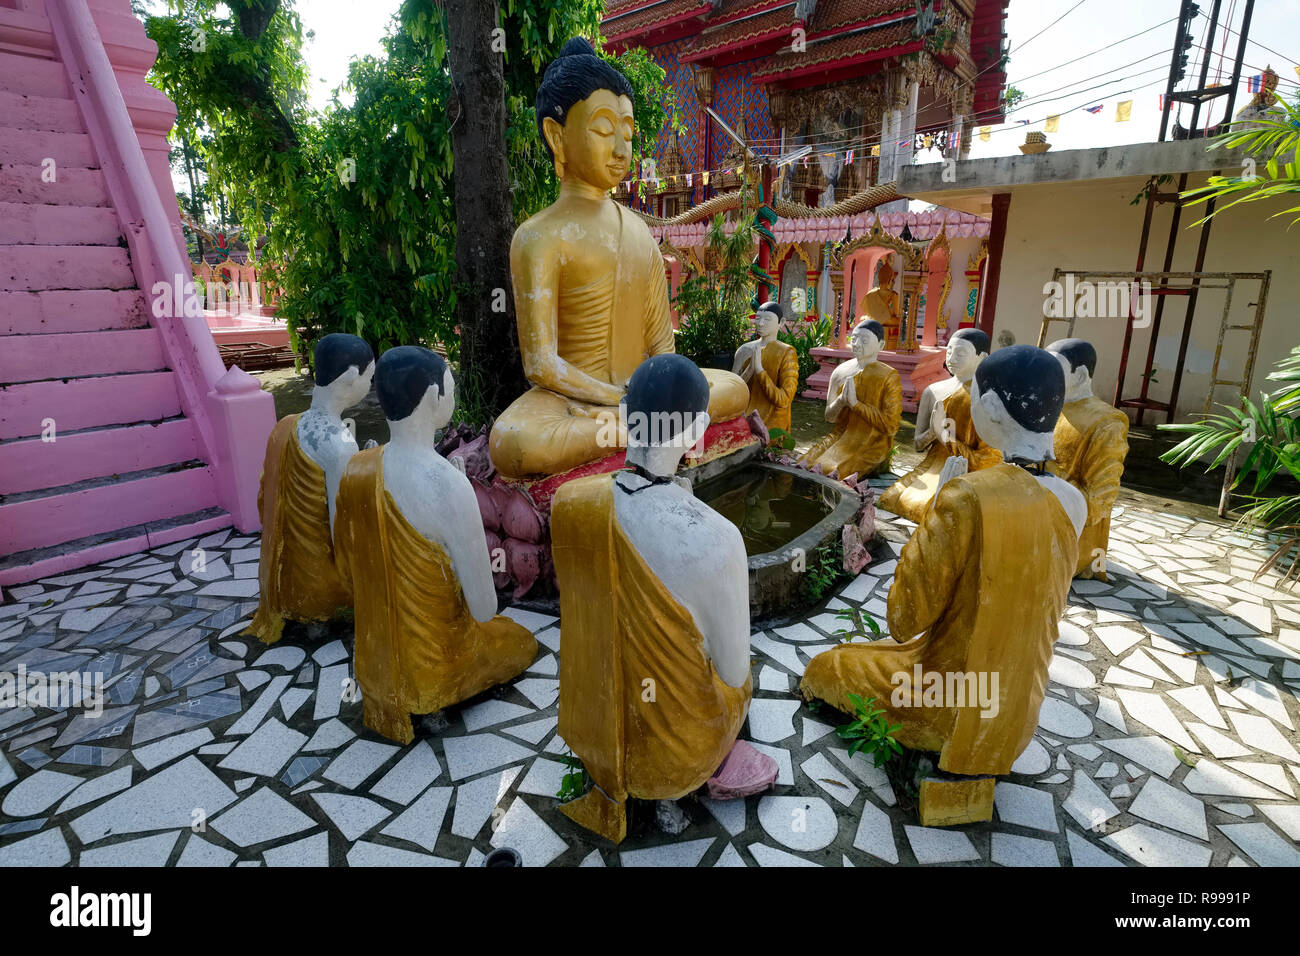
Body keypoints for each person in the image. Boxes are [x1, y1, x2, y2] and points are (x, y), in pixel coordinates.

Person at [801, 345, 1086, 826]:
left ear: (991, 408)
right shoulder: (1073, 503)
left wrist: (935, 520)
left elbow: (905, 618)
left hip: (948, 702)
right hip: (1015, 711)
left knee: (832, 666)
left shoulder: (967, 497)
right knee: (886, 655)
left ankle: (924, 741)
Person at [488, 38, 748, 480]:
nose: (621, 148)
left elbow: (663, 347)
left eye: (627, 133)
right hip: (572, 402)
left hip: (636, 398)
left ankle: (646, 424)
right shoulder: (539, 236)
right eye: (604, 130)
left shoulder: (639, 230)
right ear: (557, 136)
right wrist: (619, 400)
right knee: (515, 440)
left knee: (733, 387)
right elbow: (541, 364)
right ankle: (656, 429)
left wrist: (660, 388)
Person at [552, 354, 770, 843]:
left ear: (626, 417)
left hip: (596, 731)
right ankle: (679, 789)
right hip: (677, 754)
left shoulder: (571, 504)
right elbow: (733, 671)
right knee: (744, 681)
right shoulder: (717, 536)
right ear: (697, 431)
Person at [333, 347, 537, 744]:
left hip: (376, 663)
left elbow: (347, 567)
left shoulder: (358, 468)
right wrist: (461, 506)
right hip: (436, 664)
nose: (454, 396)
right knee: (517, 640)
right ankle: (441, 693)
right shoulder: (449, 486)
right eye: (451, 388)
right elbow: (483, 608)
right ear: (432, 396)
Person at [245, 333, 372, 644]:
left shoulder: (285, 425)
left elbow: (264, 500)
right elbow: (341, 527)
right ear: (352, 378)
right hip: (322, 587)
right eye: (370, 377)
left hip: (278, 582)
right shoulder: (339, 442)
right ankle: (330, 609)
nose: (370, 385)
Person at [877, 327, 999, 521]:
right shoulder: (933, 391)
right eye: (949, 351)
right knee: (890, 499)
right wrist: (933, 432)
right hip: (931, 465)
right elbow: (918, 444)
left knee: (930, 508)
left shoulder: (989, 399)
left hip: (966, 472)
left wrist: (944, 435)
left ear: (982, 357)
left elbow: (989, 461)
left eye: (960, 353)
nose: (952, 358)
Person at [1046, 338, 1130, 580]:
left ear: (1080, 376)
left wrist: (1045, 469)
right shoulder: (1046, 406)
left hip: (1074, 534)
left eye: (1054, 371)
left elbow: (1098, 504)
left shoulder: (1107, 423)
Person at [800, 318, 901, 480]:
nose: (857, 343)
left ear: (881, 345)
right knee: (803, 464)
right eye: (853, 339)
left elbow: (891, 427)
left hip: (872, 442)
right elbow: (829, 417)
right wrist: (841, 401)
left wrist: (856, 404)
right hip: (839, 436)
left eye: (864, 340)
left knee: (829, 470)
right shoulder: (840, 371)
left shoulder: (888, 376)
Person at [733, 301, 800, 433]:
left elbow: (784, 399)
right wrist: (750, 370)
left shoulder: (786, 353)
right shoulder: (744, 350)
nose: (761, 323)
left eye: (767, 319)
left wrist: (760, 371)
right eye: (758, 318)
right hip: (742, 418)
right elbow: (733, 391)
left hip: (771, 424)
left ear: (781, 322)